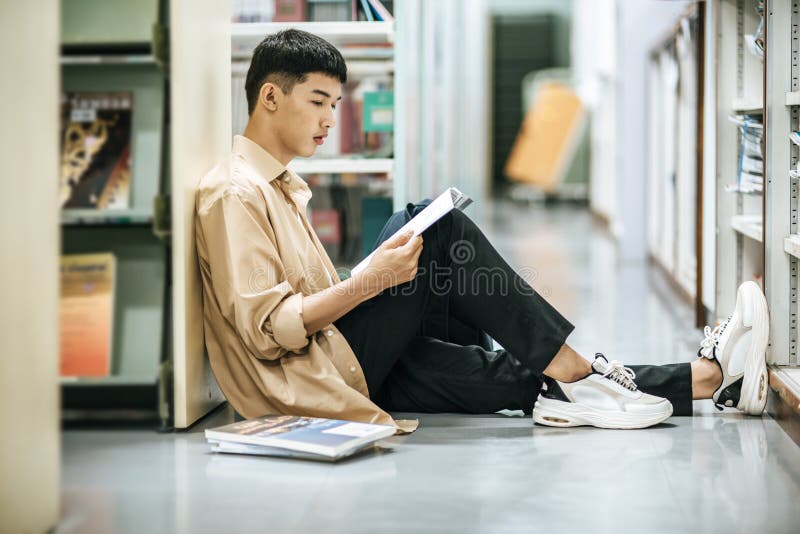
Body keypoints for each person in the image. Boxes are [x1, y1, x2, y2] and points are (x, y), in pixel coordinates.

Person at [194, 29, 770, 432]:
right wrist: (370, 280)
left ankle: (708, 379)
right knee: (436, 233)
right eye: (318, 101)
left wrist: (372, 277)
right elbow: (271, 331)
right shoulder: (235, 193)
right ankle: (569, 364)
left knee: (515, 368)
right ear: (270, 96)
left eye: (335, 103)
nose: (328, 120)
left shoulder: (276, 185)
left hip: (338, 356)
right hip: (312, 375)